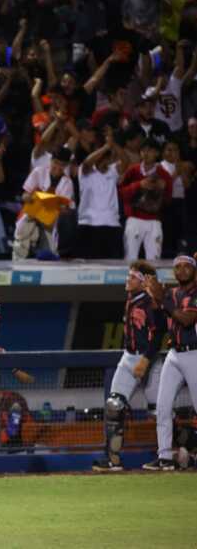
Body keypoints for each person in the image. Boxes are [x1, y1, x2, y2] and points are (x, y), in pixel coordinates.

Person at [93, 260, 165, 472]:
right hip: (129, 356)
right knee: (114, 406)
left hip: (149, 359)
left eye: (133, 277)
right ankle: (113, 460)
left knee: (159, 413)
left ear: (144, 283)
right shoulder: (132, 299)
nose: (128, 279)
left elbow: (159, 333)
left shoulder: (150, 302)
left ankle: (177, 452)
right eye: (129, 275)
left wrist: (146, 359)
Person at [143, 255, 197, 471]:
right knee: (163, 407)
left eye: (186, 267)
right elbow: (159, 322)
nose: (181, 270)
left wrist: (161, 298)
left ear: (194, 270)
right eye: (177, 267)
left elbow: (187, 320)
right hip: (173, 353)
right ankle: (164, 456)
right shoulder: (171, 293)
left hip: (194, 353)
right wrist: (154, 299)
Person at [12, 148, 74, 260]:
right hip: (32, 214)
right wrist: (32, 198)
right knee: (24, 230)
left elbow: (65, 208)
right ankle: (18, 262)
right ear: (51, 160)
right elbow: (24, 195)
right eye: (56, 163)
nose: (58, 167)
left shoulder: (67, 182)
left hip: (49, 221)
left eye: (62, 165)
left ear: (66, 166)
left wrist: (59, 206)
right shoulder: (39, 172)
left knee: (50, 253)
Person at [76, 131, 128, 259]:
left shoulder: (113, 170)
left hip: (111, 224)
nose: (103, 159)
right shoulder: (85, 171)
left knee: (112, 267)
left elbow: (126, 160)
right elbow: (87, 162)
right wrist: (105, 147)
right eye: (100, 156)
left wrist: (112, 144)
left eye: (106, 157)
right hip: (88, 224)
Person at [119, 139, 173, 261]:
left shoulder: (164, 175)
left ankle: (152, 280)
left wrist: (161, 189)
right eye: (144, 150)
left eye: (151, 150)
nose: (147, 153)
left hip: (154, 221)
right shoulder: (132, 171)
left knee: (154, 259)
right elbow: (122, 194)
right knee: (130, 258)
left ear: (157, 154)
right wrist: (139, 185)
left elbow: (168, 201)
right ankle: (130, 280)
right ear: (140, 153)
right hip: (134, 219)